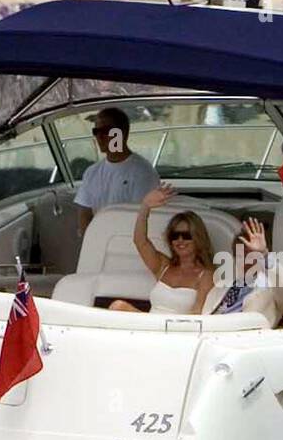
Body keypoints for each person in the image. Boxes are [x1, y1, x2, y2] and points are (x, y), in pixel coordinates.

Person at [110, 184, 213, 315]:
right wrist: (145, 207)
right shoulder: (164, 266)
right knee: (117, 306)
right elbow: (140, 242)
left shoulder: (206, 275)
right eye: (175, 236)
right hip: (150, 325)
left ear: (198, 238)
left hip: (175, 330)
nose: (180, 240)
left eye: (186, 236)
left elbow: (198, 313)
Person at [73, 107, 159, 235]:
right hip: (97, 242)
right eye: (96, 131)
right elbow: (84, 213)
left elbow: (142, 218)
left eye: (106, 131)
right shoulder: (91, 172)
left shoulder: (143, 173)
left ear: (123, 133)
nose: (100, 136)